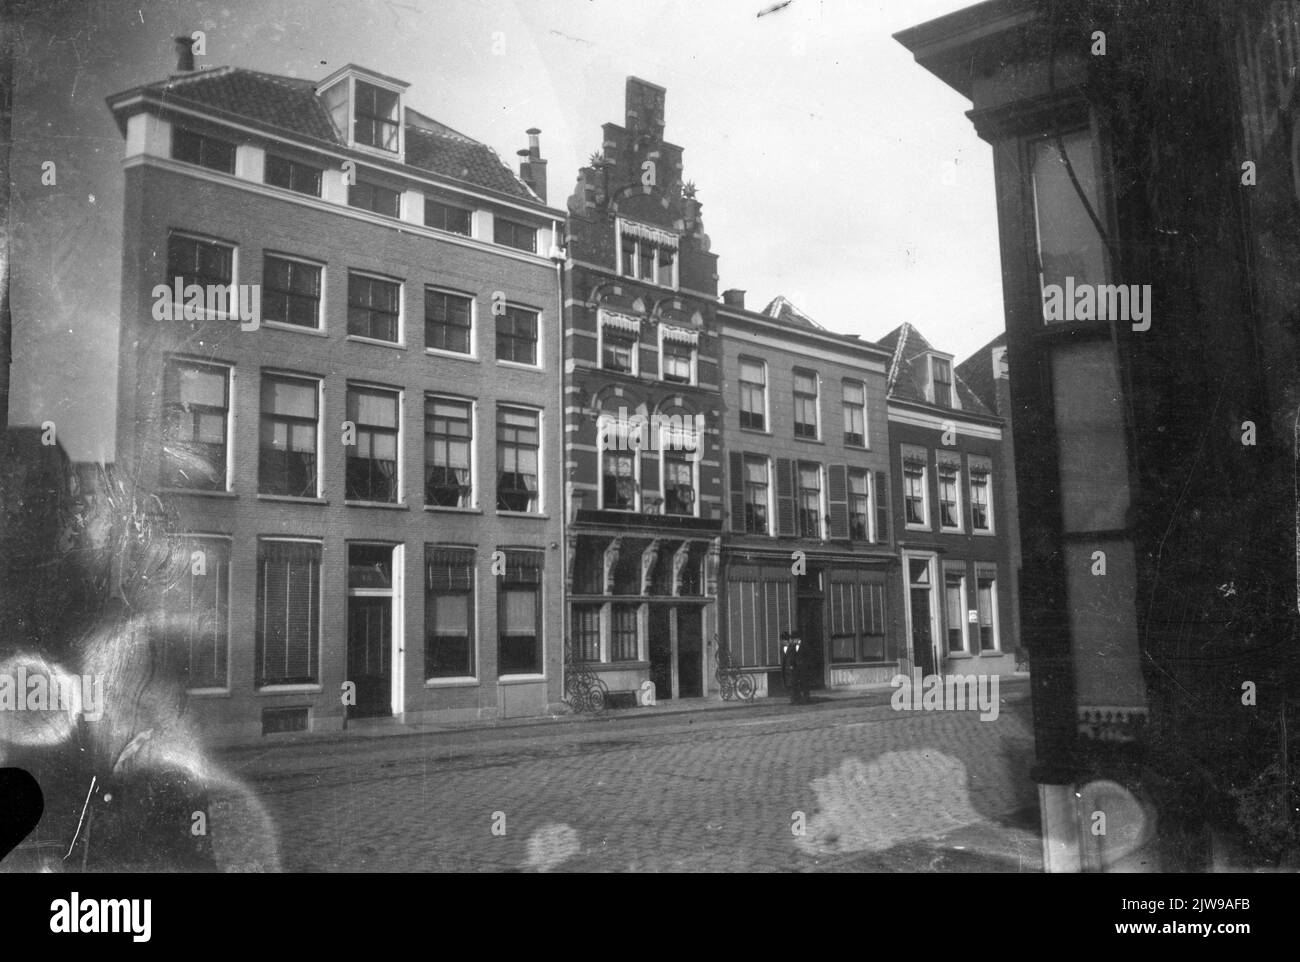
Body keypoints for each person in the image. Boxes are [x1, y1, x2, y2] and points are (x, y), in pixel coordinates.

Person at [780, 633, 810, 705]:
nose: (792, 641)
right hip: (793, 669)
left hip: (801, 668)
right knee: (793, 684)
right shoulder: (791, 646)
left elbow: (807, 657)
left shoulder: (804, 645)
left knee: (803, 684)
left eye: (793, 639)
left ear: (797, 639)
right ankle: (795, 700)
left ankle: (805, 699)